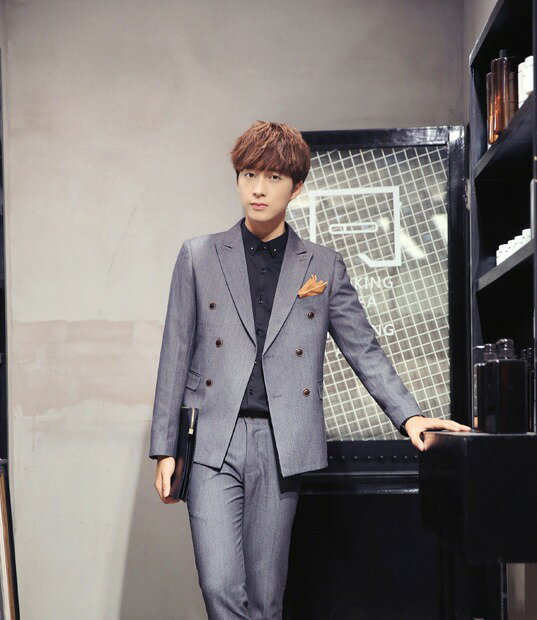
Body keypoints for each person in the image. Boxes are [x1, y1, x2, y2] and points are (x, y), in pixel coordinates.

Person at [148, 120, 471, 619]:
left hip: (284, 443)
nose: (258, 189)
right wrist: (165, 448)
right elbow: (175, 353)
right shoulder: (199, 255)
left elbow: (363, 348)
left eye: (274, 177)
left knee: (266, 597)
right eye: (249, 174)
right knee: (219, 585)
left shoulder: (323, 265)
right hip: (212, 439)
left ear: (296, 188)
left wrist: (409, 416)